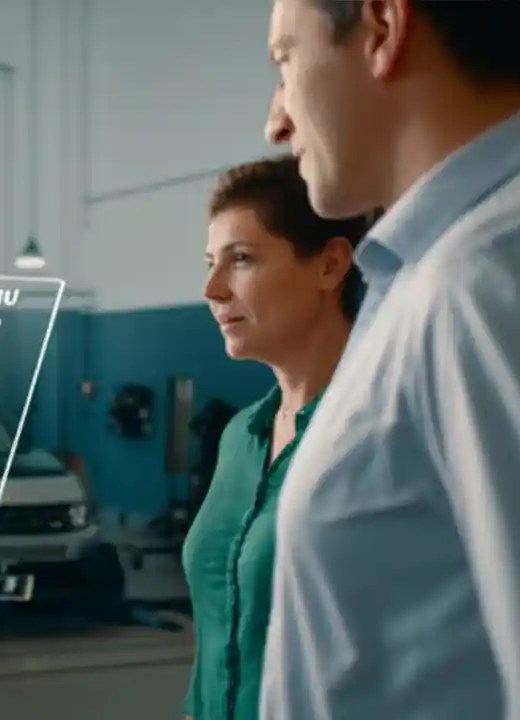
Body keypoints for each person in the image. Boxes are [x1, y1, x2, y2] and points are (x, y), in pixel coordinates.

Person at [259, 1, 520, 718]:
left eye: (286, 61)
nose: (276, 122)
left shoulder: (492, 279)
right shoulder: (429, 276)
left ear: (384, 31)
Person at [180, 155, 373, 720]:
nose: (212, 289)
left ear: (330, 265)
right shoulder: (241, 436)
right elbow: (214, 651)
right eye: (211, 263)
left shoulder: (376, 433)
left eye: (241, 259)